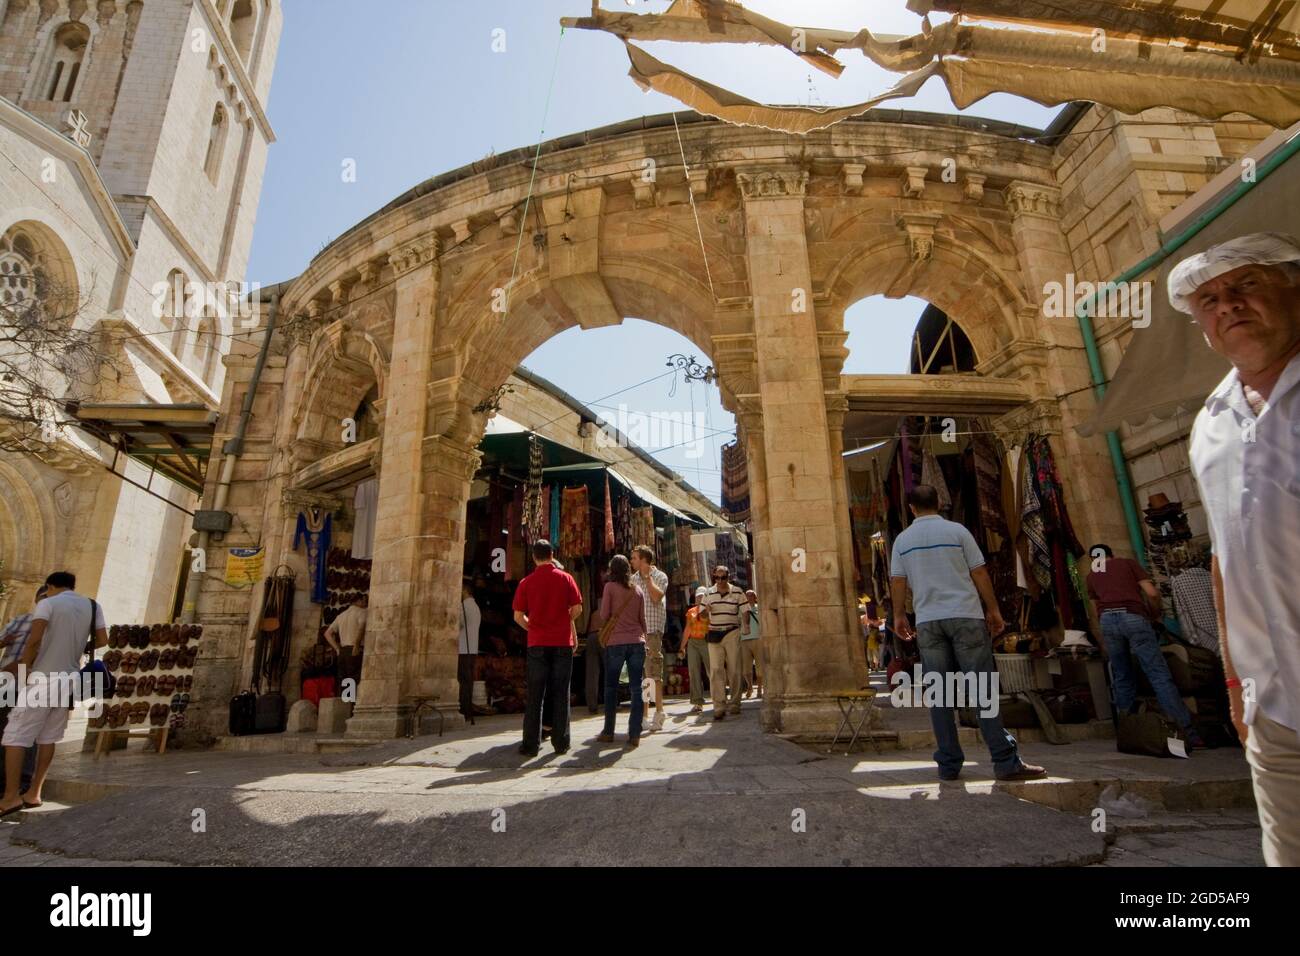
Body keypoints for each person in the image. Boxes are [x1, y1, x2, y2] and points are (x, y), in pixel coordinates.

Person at [1171, 232, 1300, 865]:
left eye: (1247, 285)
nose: (1228, 306)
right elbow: (1225, 557)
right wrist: (1233, 680)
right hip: (1274, 704)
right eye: (1209, 300)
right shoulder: (1211, 425)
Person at [889, 486, 1046, 782]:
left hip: (929, 621)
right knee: (981, 690)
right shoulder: (957, 531)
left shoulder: (902, 540)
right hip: (966, 616)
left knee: (940, 693)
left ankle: (948, 764)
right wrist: (994, 609)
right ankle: (1004, 760)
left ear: (911, 508)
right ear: (939, 503)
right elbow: (979, 572)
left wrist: (899, 615)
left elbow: (898, 581)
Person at [1, 572, 107, 816]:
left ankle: (10, 798)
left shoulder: (48, 603)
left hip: (43, 677)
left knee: (15, 736)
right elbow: (102, 639)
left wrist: (24, 670)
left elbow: (34, 640)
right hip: (69, 678)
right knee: (48, 737)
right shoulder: (92, 605)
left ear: (49, 586)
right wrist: (79, 646)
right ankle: (34, 792)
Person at [1085, 543, 1200, 745]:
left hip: (1107, 622)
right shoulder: (1128, 564)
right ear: (1112, 553)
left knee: (1121, 675)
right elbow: (1152, 593)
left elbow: (1095, 609)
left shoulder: (1091, 576)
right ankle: (1186, 732)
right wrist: (1155, 615)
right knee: (1157, 673)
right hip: (1133, 616)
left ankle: (1129, 732)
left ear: (1093, 559)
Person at [512, 540, 582, 757]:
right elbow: (578, 609)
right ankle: (561, 743)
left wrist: (531, 626)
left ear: (534, 557)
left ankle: (530, 745)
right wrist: (562, 620)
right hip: (561, 642)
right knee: (561, 693)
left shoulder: (526, 582)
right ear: (552, 555)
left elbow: (517, 616)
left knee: (535, 695)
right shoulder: (566, 578)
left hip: (537, 643)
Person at [592, 554, 648, 749]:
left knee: (610, 688)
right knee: (636, 688)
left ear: (612, 570)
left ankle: (609, 731)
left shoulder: (609, 587)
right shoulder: (638, 590)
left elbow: (604, 614)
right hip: (637, 642)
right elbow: (643, 619)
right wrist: (644, 638)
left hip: (615, 642)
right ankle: (634, 734)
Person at [0, 586, 47, 796]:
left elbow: (40, 653)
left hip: (30, 683)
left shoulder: (53, 627)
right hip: (7, 682)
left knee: (27, 731)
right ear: (37, 599)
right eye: (43, 597)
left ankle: (23, 780)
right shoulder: (20, 620)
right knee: (3, 728)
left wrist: (14, 667)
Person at [630, 545, 669, 732]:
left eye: (635, 558)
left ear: (644, 560)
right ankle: (645, 714)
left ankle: (659, 711)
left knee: (654, 673)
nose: (632, 561)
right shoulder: (632, 579)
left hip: (653, 630)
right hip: (639, 632)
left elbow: (656, 597)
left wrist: (647, 579)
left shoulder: (660, 577)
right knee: (645, 676)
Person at [701, 565, 746, 720]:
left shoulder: (738, 591)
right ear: (714, 577)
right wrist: (705, 612)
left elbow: (745, 610)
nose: (720, 581)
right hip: (714, 633)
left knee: (734, 669)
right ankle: (719, 705)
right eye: (717, 578)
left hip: (731, 631)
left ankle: (734, 703)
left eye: (723, 578)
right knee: (715, 670)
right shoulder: (708, 593)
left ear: (728, 577)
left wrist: (745, 626)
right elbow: (701, 617)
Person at [323, 593, 367, 690]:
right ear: (359, 601)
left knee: (344, 681)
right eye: (364, 601)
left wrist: (337, 649)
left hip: (343, 651)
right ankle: (352, 704)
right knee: (353, 679)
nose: (365, 603)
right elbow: (361, 628)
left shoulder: (341, 616)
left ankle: (345, 703)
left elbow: (327, 633)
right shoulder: (362, 612)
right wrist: (356, 645)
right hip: (354, 650)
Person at [683, 587, 710, 713]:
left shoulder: (710, 611)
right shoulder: (691, 612)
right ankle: (697, 702)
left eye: (702, 596)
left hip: (706, 641)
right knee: (693, 671)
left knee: (712, 670)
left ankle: (718, 697)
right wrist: (682, 646)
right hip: (693, 642)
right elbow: (687, 629)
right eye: (698, 596)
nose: (700, 598)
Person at [458, 580, 481, 725]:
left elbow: (457, 624)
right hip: (472, 648)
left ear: (465, 591)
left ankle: (464, 710)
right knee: (469, 682)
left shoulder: (463, 607)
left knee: (463, 681)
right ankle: (468, 711)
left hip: (463, 648)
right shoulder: (476, 607)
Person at [740, 589, 762, 699]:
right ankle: (749, 687)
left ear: (755, 597)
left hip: (757, 639)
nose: (749, 597)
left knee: (759, 666)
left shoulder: (760, 608)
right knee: (746, 668)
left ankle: (759, 688)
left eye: (751, 595)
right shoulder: (741, 610)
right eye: (747, 595)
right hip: (744, 640)